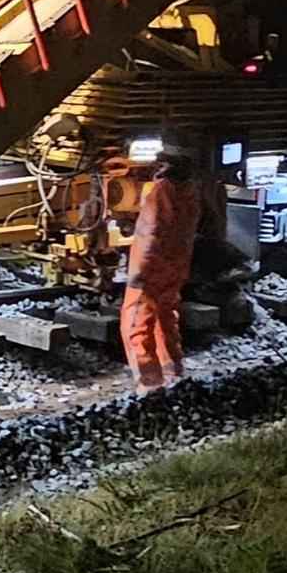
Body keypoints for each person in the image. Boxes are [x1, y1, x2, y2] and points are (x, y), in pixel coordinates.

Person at [120, 143, 218, 393]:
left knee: (136, 320)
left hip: (150, 265)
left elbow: (152, 232)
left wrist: (139, 271)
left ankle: (149, 382)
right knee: (166, 315)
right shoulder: (191, 192)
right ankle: (172, 370)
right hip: (176, 265)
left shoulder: (162, 191)